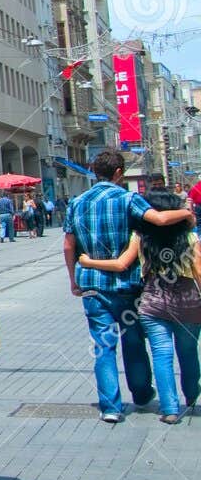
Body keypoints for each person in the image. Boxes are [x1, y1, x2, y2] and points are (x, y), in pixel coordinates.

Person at [63, 150, 194, 423]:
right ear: (119, 173)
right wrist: (186, 211)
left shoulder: (77, 202)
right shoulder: (128, 198)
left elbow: (68, 245)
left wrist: (73, 279)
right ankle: (142, 392)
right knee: (133, 341)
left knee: (102, 345)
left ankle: (110, 406)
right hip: (128, 286)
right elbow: (158, 221)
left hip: (92, 285)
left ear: (93, 170)